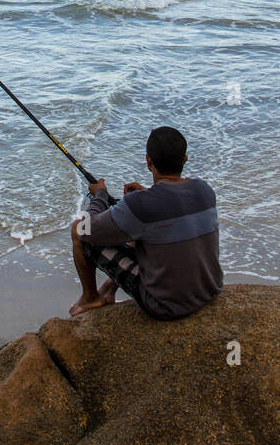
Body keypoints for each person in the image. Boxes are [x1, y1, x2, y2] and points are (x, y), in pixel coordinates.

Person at [69, 125, 223, 319]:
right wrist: (144, 194)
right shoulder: (204, 190)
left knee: (77, 230)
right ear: (184, 159)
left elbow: (86, 228)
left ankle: (91, 297)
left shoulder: (141, 205)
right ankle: (108, 290)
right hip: (209, 290)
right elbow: (170, 206)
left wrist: (100, 196)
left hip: (165, 305)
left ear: (148, 160)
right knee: (148, 230)